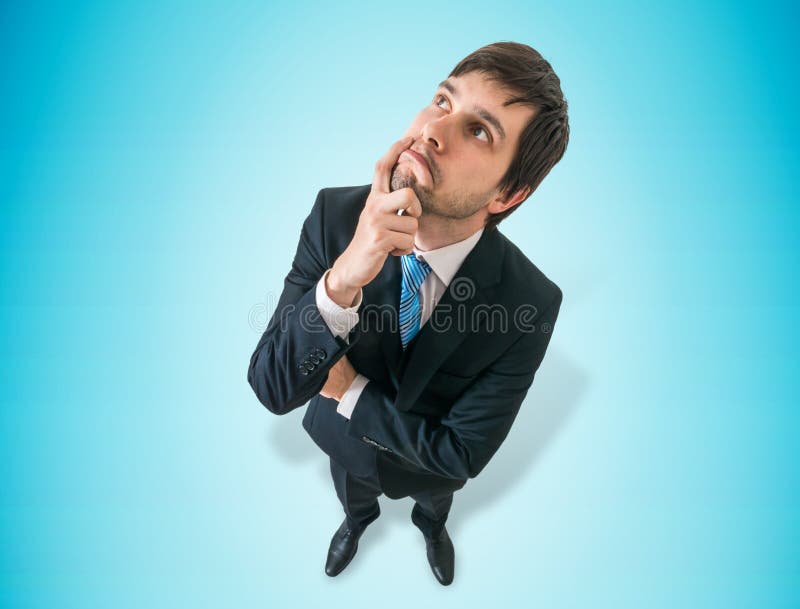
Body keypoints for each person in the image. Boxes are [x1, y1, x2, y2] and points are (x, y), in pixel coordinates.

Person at [247, 41, 569, 585]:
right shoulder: (334, 216)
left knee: (435, 504)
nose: (432, 131)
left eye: (478, 131)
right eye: (443, 100)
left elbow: (460, 456)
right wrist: (346, 275)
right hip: (343, 444)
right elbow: (271, 384)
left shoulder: (531, 302)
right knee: (353, 497)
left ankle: (433, 529)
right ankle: (356, 522)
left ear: (508, 193)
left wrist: (349, 392)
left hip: (426, 473)